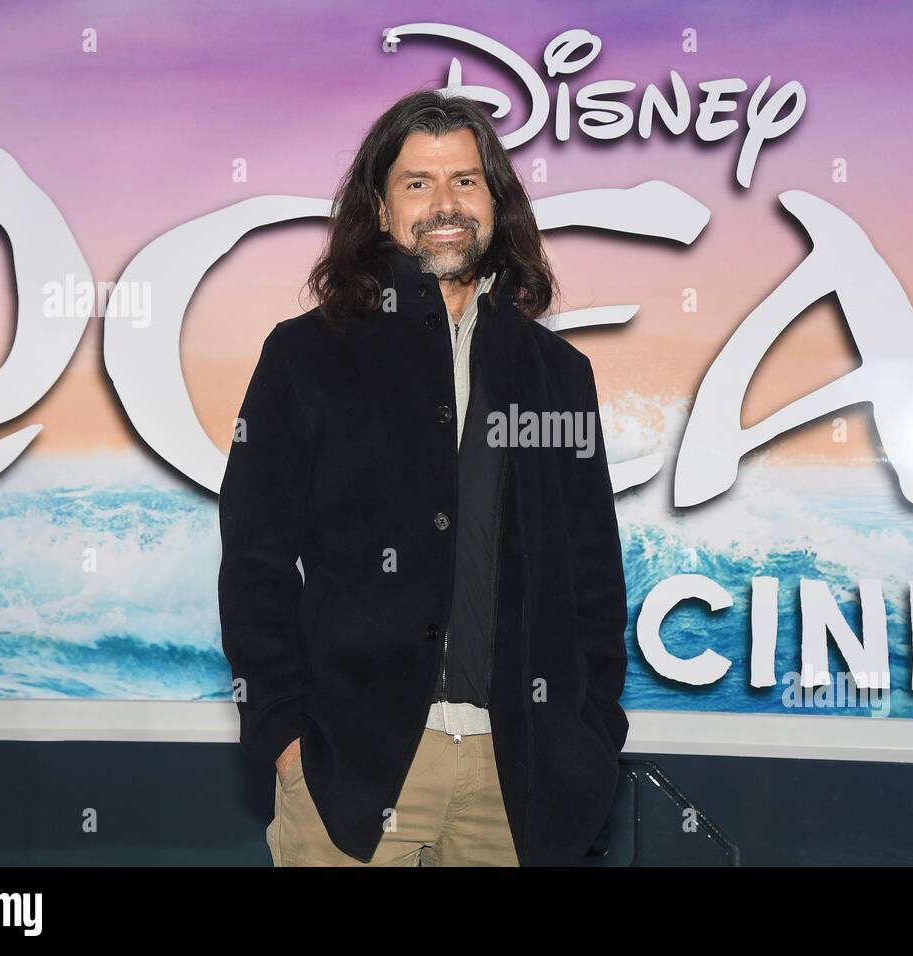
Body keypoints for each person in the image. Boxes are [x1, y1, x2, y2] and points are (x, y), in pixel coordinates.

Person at [218, 89, 628, 867]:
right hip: (351, 777)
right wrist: (284, 737)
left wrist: (591, 735)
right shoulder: (307, 356)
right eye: (418, 183)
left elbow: (593, 578)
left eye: (466, 181)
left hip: (522, 781)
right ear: (379, 209)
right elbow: (254, 561)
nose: (445, 204)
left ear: (496, 203)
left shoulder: (557, 375)